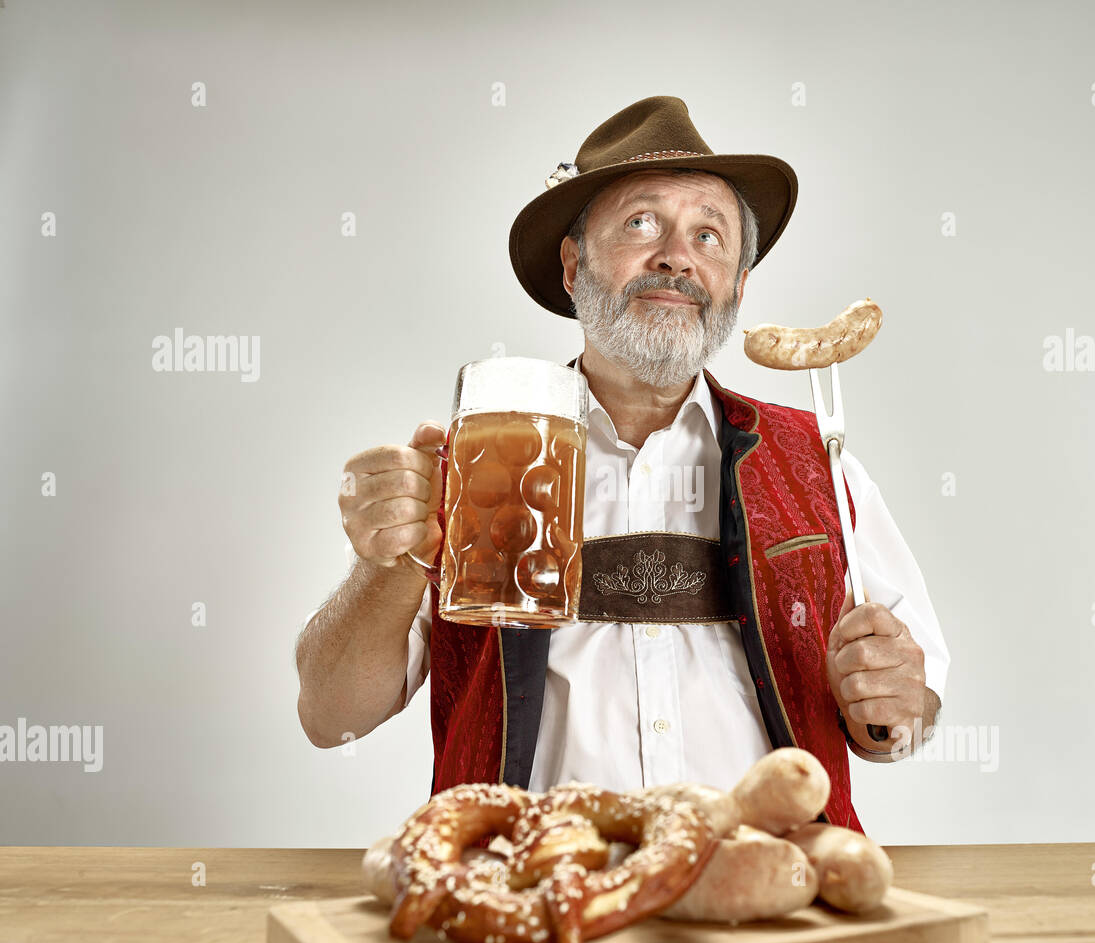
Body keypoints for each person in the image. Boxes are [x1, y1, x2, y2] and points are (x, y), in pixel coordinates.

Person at [295, 97, 949, 832]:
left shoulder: (817, 464)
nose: (677, 255)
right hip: (536, 900)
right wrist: (387, 563)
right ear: (573, 264)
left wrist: (895, 705)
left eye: (710, 233)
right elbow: (331, 718)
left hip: (773, 898)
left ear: (737, 284)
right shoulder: (480, 462)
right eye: (642, 223)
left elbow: (907, 723)